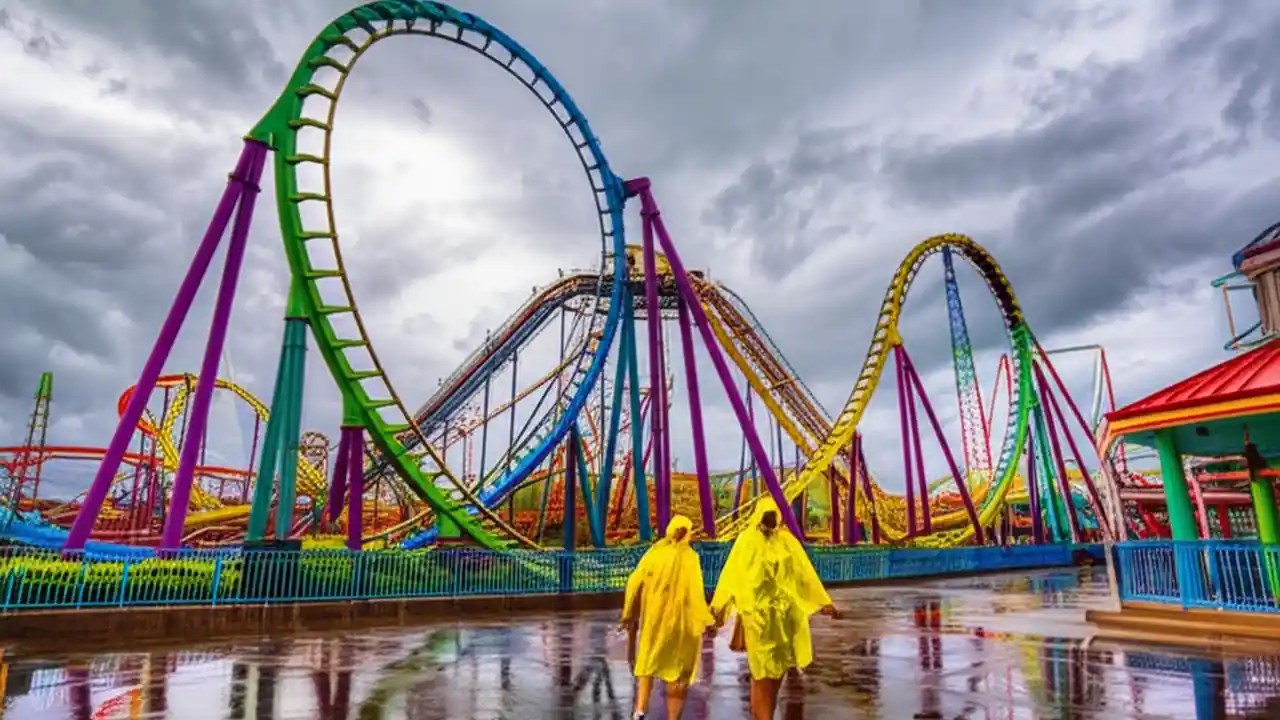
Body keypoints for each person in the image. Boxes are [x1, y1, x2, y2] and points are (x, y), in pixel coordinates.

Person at [709, 497, 841, 720]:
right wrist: (718, 607)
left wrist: (823, 601)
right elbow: (731, 575)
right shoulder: (747, 541)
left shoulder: (787, 542)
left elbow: (804, 573)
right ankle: (762, 714)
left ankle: (764, 711)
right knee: (761, 669)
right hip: (757, 617)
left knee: (778, 667)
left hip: (785, 617)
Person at [620, 514, 714, 720]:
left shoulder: (654, 554)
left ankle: (640, 710)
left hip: (654, 622)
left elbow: (634, 583)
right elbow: (696, 593)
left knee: (647, 664)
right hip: (681, 625)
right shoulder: (690, 558)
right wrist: (707, 620)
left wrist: (628, 615)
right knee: (677, 673)